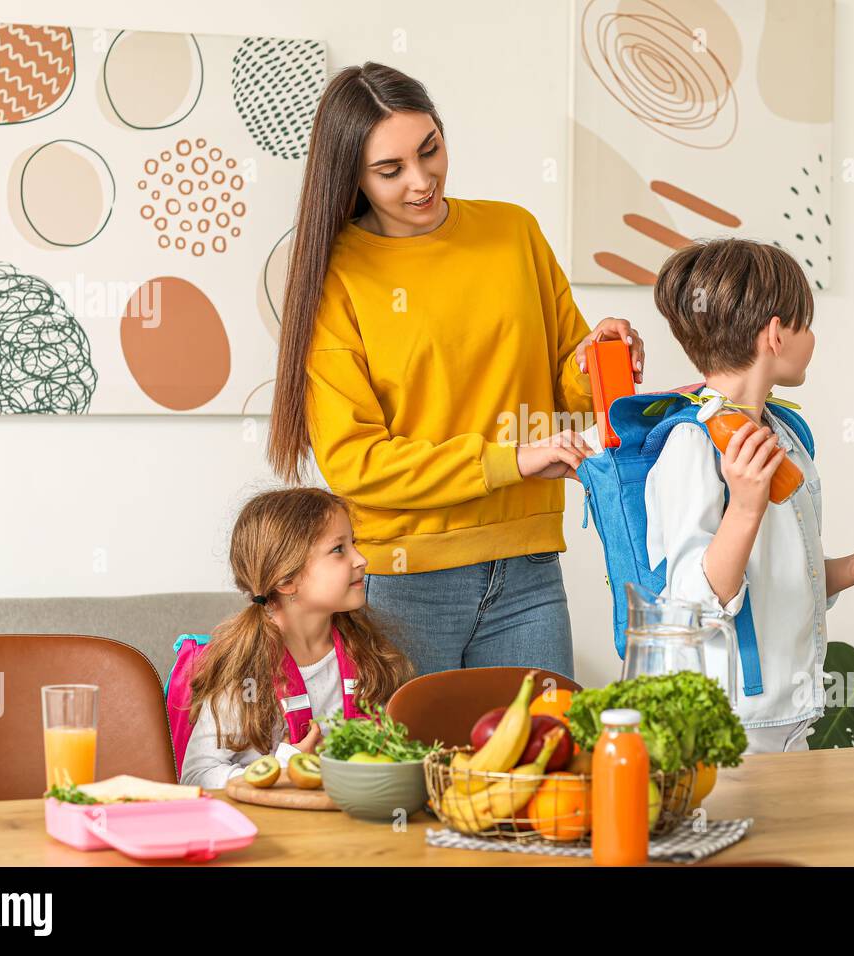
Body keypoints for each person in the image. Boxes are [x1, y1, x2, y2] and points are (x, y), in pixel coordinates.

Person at [266, 62, 644, 679]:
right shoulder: (338, 276)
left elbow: (571, 386)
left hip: (528, 570)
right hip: (402, 583)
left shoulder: (512, 233)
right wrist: (508, 461)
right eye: (390, 171)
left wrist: (598, 356)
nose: (421, 181)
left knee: (542, 769)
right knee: (409, 776)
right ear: (353, 177)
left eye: (430, 150)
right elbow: (354, 461)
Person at [644, 239, 854, 754]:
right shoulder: (690, 443)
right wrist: (744, 507)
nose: (813, 338)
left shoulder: (784, 437)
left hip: (793, 717)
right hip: (723, 726)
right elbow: (691, 606)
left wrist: (853, 568)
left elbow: (770, 580)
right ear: (776, 333)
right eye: (806, 323)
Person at [179, 488, 413, 789]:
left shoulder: (370, 654)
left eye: (353, 543)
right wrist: (284, 768)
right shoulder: (244, 671)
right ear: (287, 580)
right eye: (339, 550)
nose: (361, 559)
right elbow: (196, 776)